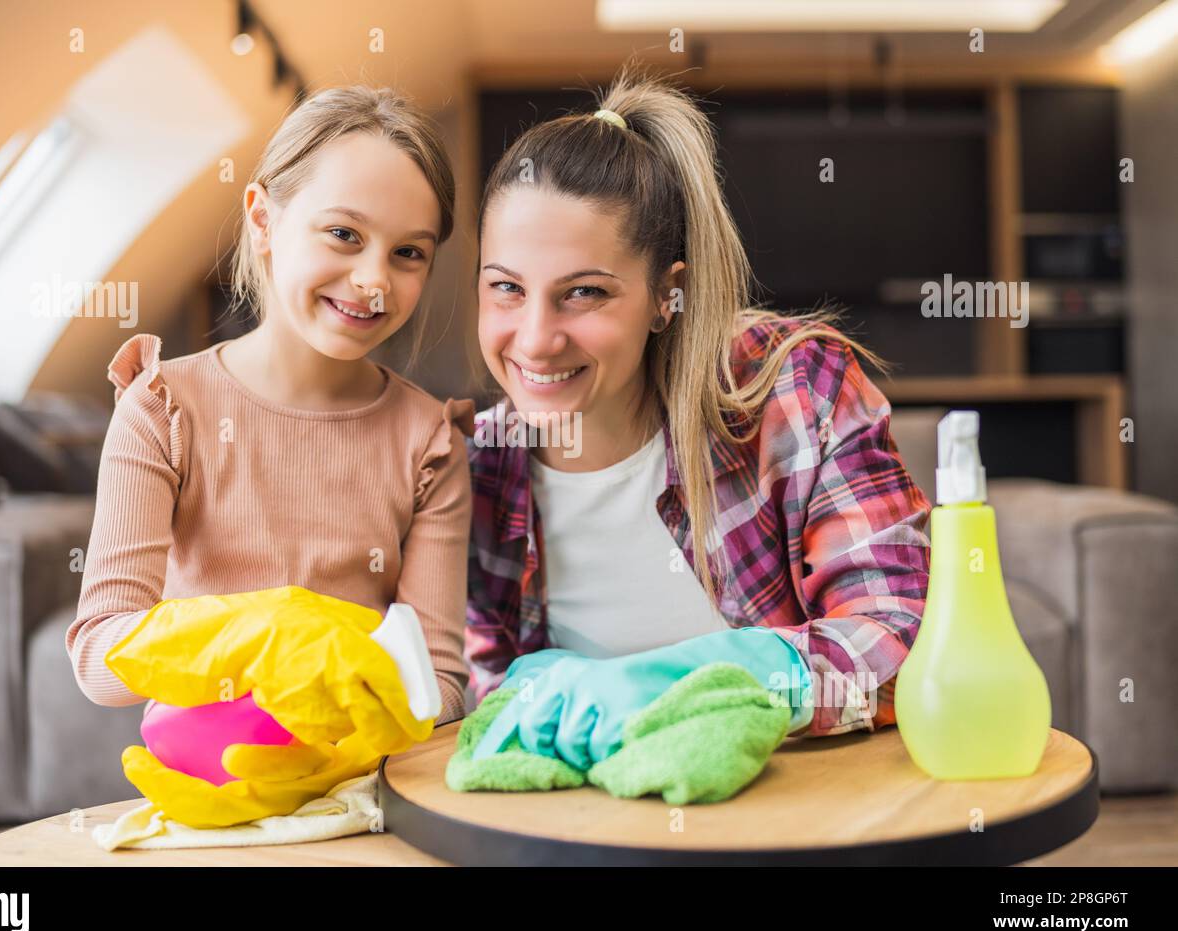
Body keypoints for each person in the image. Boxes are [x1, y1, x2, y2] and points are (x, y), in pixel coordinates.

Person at [465, 66, 932, 768]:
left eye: (584, 293)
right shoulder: (475, 470)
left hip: (798, 816)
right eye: (506, 288)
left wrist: (709, 675)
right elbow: (465, 705)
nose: (534, 339)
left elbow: (906, 641)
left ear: (665, 296)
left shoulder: (794, 389)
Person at [66, 84, 474, 726]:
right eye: (344, 233)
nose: (374, 279)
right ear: (262, 220)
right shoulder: (161, 409)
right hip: (208, 786)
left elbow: (441, 685)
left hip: (364, 786)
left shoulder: (431, 441)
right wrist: (277, 632)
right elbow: (100, 656)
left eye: (408, 253)